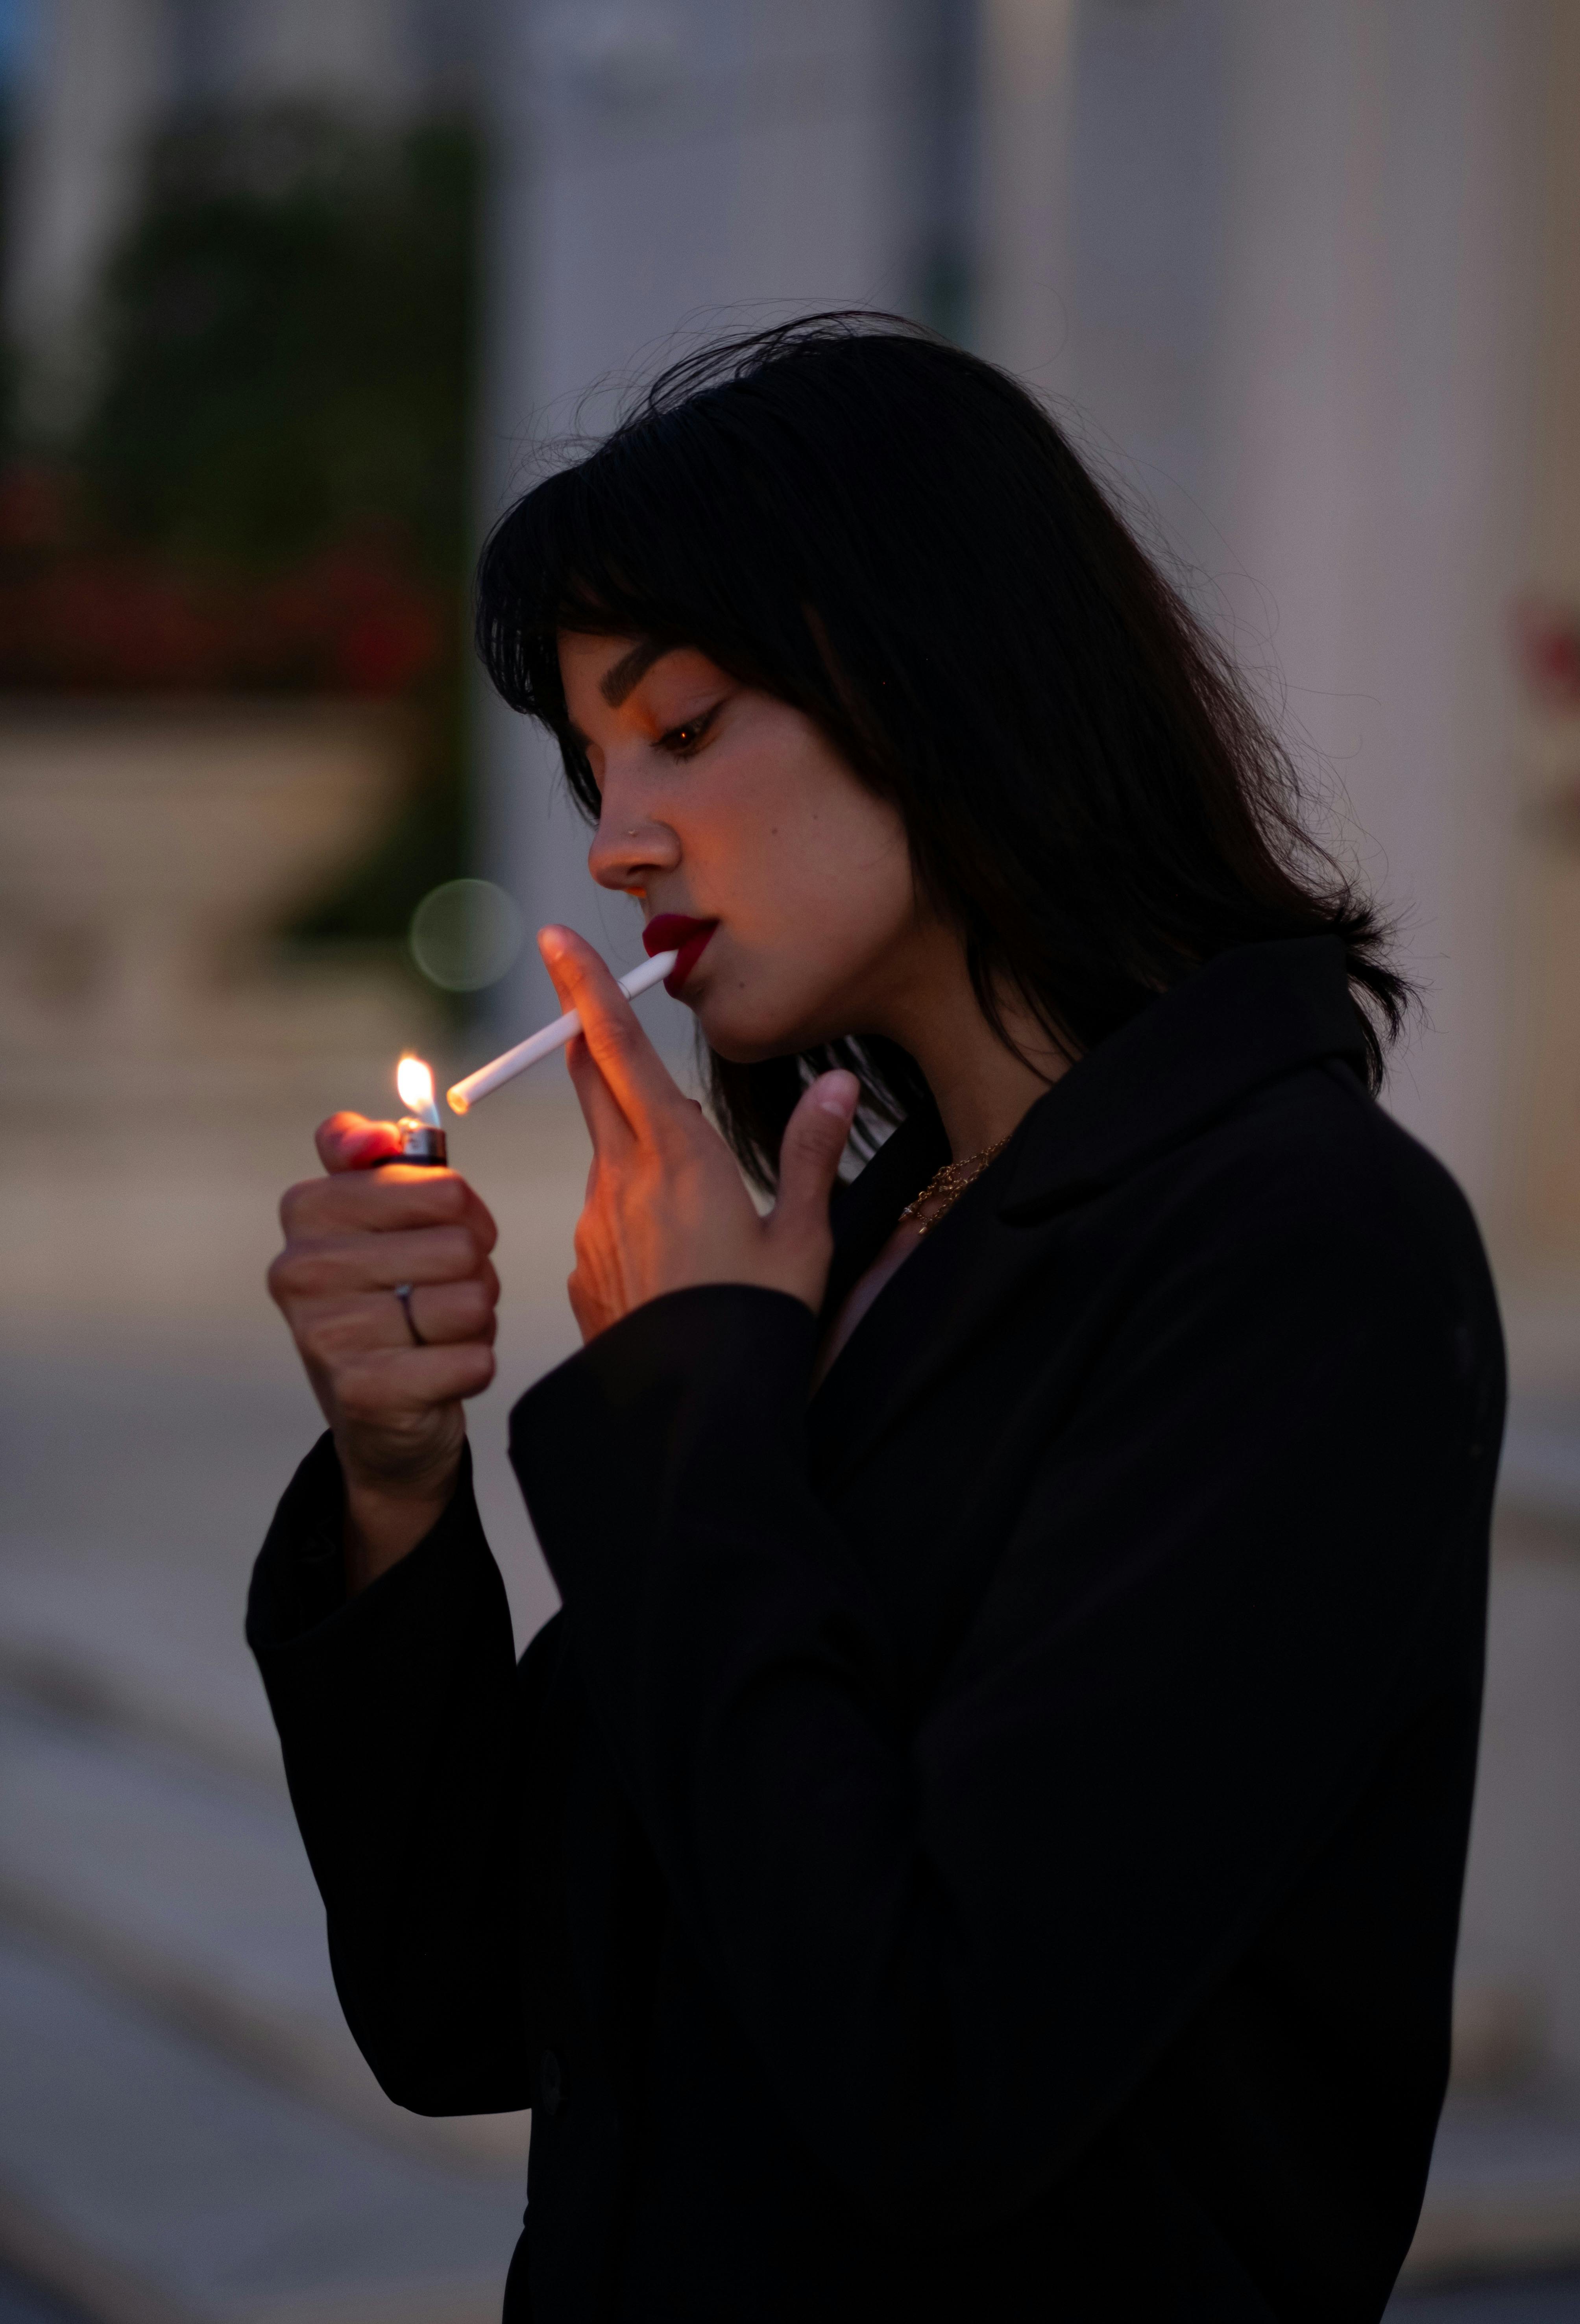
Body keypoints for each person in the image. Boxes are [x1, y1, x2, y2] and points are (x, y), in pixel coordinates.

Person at [249, 316, 1504, 2322]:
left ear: (936, 675)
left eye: (680, 728)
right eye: (590, 765)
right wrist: (398, 1480)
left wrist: (684, 1407)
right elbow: (465, 1992)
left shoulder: (1298, 1250)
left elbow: (934, 2066)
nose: (614, 839)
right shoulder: (852, 1245)